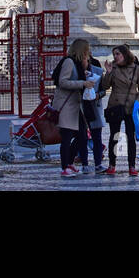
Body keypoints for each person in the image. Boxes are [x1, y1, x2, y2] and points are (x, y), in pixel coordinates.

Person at [52, 38, 96, 177]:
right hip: (66, 106)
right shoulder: (69, 62)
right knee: (66, 137)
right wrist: (82, 83)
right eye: (86, 50)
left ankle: (70, 162)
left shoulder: (77, 64)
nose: (88, 53)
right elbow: (62, 82)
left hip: (76, 107)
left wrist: (85, 74)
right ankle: (65, 167)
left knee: (82, 136)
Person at [99, 44, 139, 176]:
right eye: (114, 54)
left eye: (118, 54)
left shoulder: (136, 69)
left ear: (125, 54)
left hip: (131, 106)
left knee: (130, 137)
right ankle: (112, 164)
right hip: (115, 105)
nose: (115, 57)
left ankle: (132, 166)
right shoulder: (112, 68)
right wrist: (107, 73)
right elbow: (105, 86)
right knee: (114, 136)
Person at [79, 55, 108, 173]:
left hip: (94, 106)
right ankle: (84, 163)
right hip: (80, 107)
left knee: (96, 136)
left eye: (84, 58)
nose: (83, 61)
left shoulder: (97, 71)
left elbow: (103, 90)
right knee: (82, 137)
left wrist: (97, 95)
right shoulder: (75, 72)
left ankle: (98, 163)